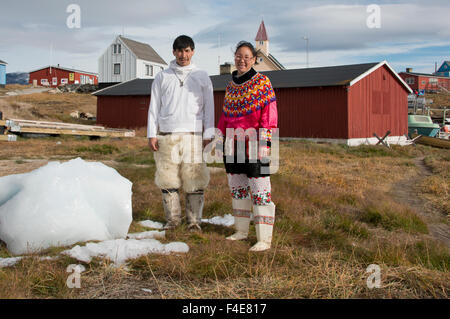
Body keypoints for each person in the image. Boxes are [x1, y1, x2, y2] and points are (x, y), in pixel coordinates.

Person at [147, 35, 214, 231]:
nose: (183, 55)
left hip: (193, 135)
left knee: (194, 178)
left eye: (187, 51)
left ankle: (194, 222)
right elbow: (154, 107)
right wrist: (152, 133)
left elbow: (209, 107)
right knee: (168, 178)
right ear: (173, 52)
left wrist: (208, 133)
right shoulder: (162, 76)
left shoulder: (202, 76)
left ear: (192, 51)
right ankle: (173, 221)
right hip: (167, 134)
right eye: (179, 51)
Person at [217, 41, 278, 252]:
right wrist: (219, 138)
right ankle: (241, 231)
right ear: (234, 57)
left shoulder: (262, 82)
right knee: (238, 189)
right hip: (232, 144)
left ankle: (264, 239)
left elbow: (269, 115)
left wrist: (265, 142)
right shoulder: (230, 86)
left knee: (260, 191)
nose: (241, 60)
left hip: (255, 142)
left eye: (246, 57)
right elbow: (225, 115)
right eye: (238, 56)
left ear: (253, 60)